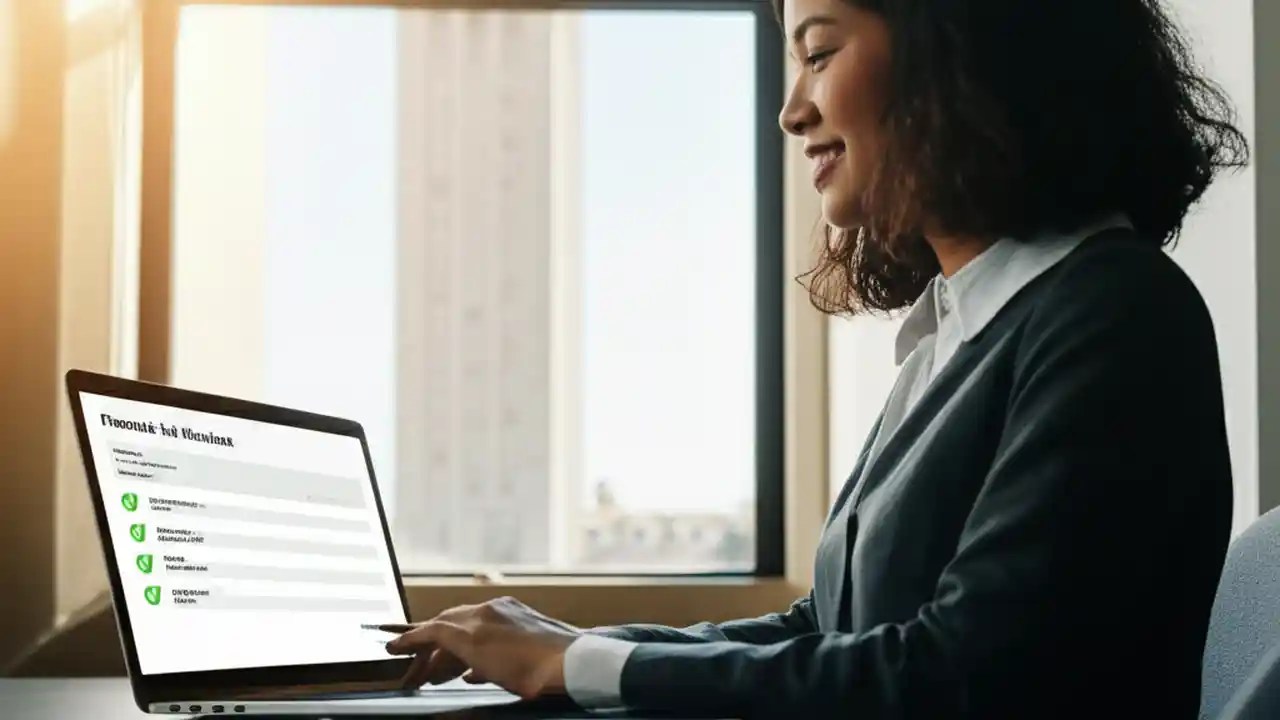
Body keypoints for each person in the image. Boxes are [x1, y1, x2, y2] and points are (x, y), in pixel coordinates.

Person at [382, 0, 1249, 716]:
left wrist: (575, 665)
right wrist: (574, 647)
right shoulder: (963, 327)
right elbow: (828, 625)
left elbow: (965, 673)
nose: (793, 109)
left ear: (966, 51)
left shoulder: (1113, 312)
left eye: (821, 51)